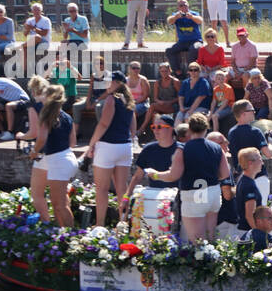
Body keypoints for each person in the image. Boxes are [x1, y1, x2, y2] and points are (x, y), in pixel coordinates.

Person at [146, 112, 229, 243]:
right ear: (206, 128)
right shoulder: (217, 148)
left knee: (197, 241)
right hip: (213, 193)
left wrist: (155, 174)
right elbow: (225, 174)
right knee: (211, 236)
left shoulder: (183, 149)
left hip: (195, 194)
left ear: (189, 129)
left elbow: (173, 175)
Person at [83, 71, 136, 225]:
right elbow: (133, 127)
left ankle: (100, 225)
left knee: (102, 189)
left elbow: (104, 124)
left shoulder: (112, 99)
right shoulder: (129, 99)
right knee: (122, 189)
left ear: (119, 83)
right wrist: (130, 140)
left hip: (107, 147)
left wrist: (91, 144)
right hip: (125, 147)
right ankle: (124, 222)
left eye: (110, 81)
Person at [26, 85, 78, 228]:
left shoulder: (46, 115)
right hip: (67, 157)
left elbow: (41, 138)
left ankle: (70, 236)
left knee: (59, 204)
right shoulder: (67, 117)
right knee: (58, 203)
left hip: (58, 161)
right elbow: (72, 142)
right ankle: (61, 232)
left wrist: (34, 152)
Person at [124, 113, 179, 197]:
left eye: (159, 127)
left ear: (171, 129)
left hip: (176, 196)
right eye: (153, 127)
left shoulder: (181, 150)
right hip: (154, 196)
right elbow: (138, 176)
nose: (155, 130)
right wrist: (126, 197)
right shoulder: (148, 149)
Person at [226, 99, 272, 176]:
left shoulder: (231, 132)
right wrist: (271, 141)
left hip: (241, 175)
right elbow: (268, 154)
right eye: (252, 110)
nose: (254, 112)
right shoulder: (255, 131)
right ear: (243, 114)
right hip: (259, 175)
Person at [47, 52, 82, 134]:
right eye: (58, 59)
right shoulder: (55, 70)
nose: (60, 61)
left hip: (69, 97)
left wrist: (71, 67)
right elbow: (43, 77)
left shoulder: (70, 69)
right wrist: (51, 67)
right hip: (57, 98)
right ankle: (52, 131)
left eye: (62, 59)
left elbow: (79, 77)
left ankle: (60, 131)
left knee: (56, 109)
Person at [165, 0, 204, 73]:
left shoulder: (193, 14)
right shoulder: (176, 15)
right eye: (181, 5)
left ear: (188, 5)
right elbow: (169, 21)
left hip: (196, 41)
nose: (183, 7)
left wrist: (192, 17)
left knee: (194, 49)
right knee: (169, 50)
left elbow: (200, 21)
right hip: (182, 42)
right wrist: (175, 17)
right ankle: (177, 70)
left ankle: (190, 70)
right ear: (178, 7)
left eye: (185, 5)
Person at [233, 147, 266, 233]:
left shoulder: (244, 180)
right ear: (250, 163)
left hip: (243, 229)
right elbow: (250, 215)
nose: (262, 163)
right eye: (260, 160)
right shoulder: (249, 185)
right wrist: (259, 233)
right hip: (247, 231)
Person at [22, 2, 52, 74]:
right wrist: (27, 29)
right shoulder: (29, 20)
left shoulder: (46, 20)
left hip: (44, 41)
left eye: (38, 10)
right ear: (32, 11)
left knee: (37, 37)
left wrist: (32, 28)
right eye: (34, 10)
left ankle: (20, 46)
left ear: (41, 11)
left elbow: (44, 33)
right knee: (25, 49)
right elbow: (25, 34)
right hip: (32, 42)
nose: (36, 11)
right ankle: (25, 71)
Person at [229, 26, 260, 91]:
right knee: (224, 76)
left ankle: (246, 96)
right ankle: (227, 97)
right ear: (237, 36)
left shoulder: (252, 46)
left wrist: (242, 72)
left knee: (245, 76)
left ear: (247, 35)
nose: (241, 37)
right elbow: (232, 62)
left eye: (243, 35)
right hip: (237, 69)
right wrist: (236, 71)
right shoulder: (234, 46)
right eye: (240, 35)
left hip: (250, 69)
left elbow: (252, 63)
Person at [125, 61, 153, 130]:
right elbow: (124, 94)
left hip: (142, 103)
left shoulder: (143, 80)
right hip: (129, 102)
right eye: (134, 68)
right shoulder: (125, 80)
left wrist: (134, 102)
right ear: (129, 69)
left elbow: (145, 96)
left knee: (131, 111)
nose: (136, 70)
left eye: (138, 68)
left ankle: (131, 131)